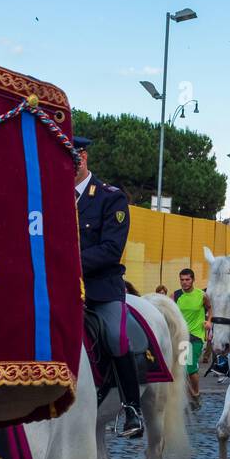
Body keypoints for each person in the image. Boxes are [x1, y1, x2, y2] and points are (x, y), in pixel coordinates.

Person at [74, 136, 144, 439]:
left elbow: (111, 249)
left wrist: (67, 262)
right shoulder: (52, 198)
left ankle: (131, 407)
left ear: (83, 158)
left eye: (70, 159)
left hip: (100, 288)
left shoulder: (109, 197)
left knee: (116, 336)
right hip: (62, 288)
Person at [172, 268, 211, 407]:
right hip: (181, 335)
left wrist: (209, 321)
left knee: (190, 367)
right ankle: (194, 395)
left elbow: (210, 307)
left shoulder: (202, 295)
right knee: (184, 369)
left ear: (193, 280)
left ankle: (195, 393)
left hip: (196, 336)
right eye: (182, 280)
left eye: (187, 279)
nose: (184, 282)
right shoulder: (176, 295)